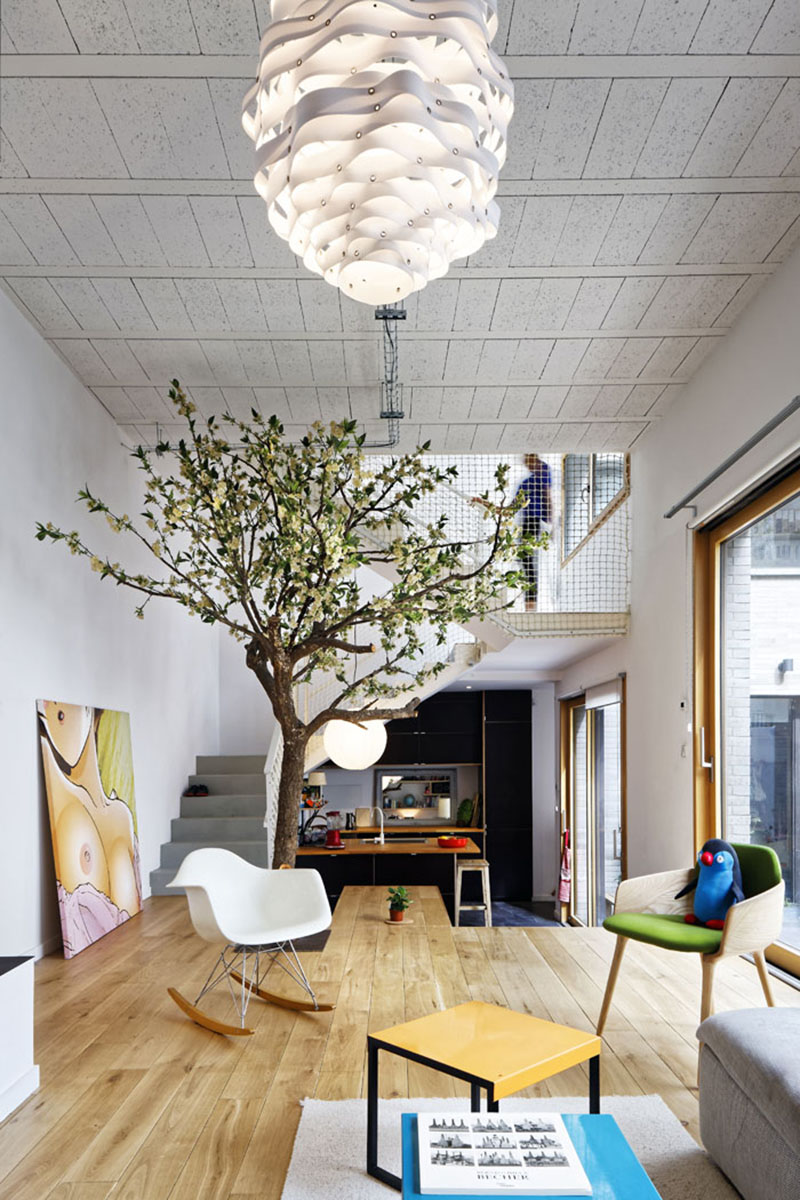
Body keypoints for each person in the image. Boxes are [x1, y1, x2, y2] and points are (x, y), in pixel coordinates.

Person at [515, 453, 552, 611]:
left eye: (528, 463)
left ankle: (531, 600)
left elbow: (547, 494)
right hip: (528, 519)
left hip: (535, 519)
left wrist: (549, 518)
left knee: (528, 559)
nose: (527, 466)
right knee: (525, 558)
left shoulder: (543, 472)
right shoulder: (527, 482)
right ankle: (529, 599)